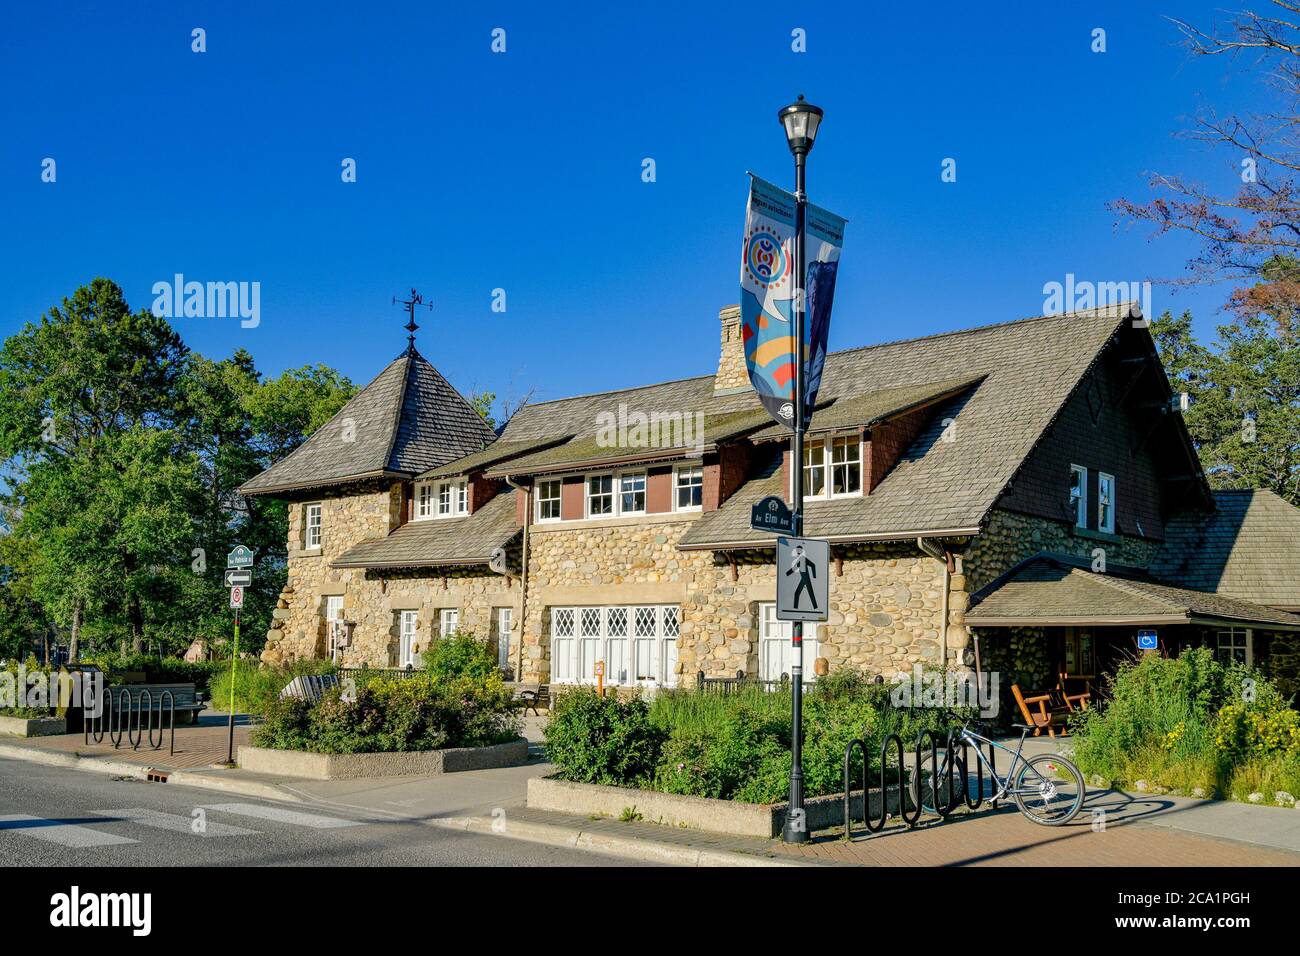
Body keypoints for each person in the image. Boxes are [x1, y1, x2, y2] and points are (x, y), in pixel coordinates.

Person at [785, 544, 818, 610]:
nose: (798, 551)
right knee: (798, 593)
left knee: (809, 594)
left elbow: (813, 565)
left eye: (799, 550)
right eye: (797, 550)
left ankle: (815, 607)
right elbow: (795, 568)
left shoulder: (803, 559)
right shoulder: (800, 559)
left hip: (806, 578)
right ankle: (796, 608)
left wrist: (814, 576)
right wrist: (787, 574)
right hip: (803, 578)